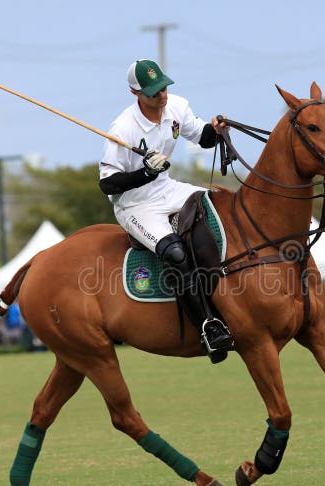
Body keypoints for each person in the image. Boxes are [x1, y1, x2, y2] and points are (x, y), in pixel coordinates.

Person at [98, 59, 232, 359]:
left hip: (168, 189)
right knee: (175, 253)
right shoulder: (123, 128)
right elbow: (107, 184)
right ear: (135, 93)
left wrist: (216, 130)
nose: (162, 95)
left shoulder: (177, 107)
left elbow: (202, 137)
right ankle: (208, 327)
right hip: (135, 204)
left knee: (220, 209)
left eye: (163, 87)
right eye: (153, 92)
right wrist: (144, 173)